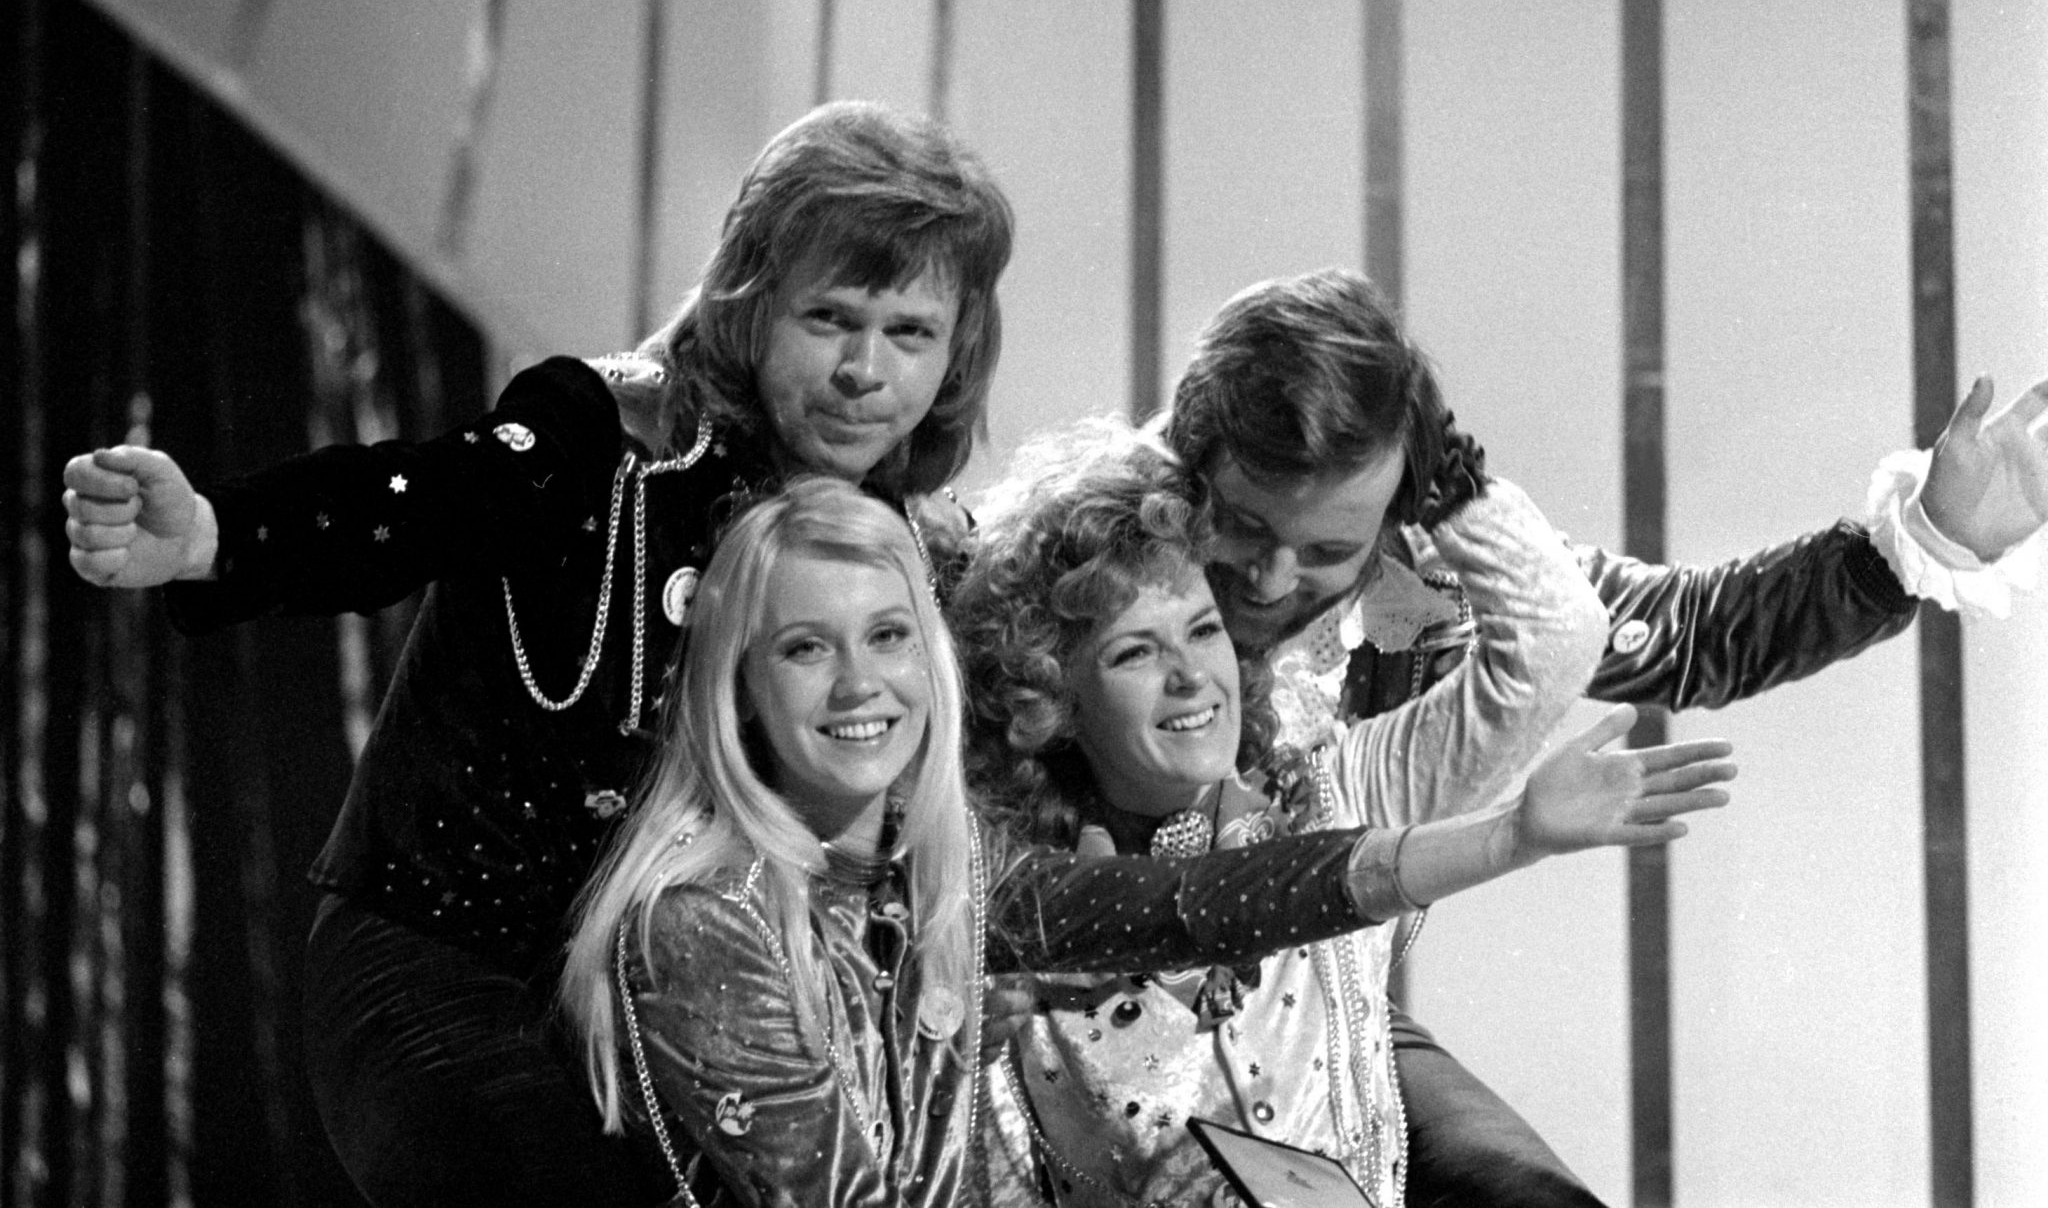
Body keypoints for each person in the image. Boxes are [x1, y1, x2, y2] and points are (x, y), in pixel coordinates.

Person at [59, 100, 1014, 1207]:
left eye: (910, 334)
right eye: (831, 318)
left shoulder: (912, 544)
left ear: (958, 350)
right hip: (452, 968)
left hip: (689, 997)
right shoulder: (600, 433)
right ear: (749, 303)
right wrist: (220, 534)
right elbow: (424, 498)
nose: (864, 370)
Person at [559, 475, 1732, 1208]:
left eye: (887, 635)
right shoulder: (705, 916)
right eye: (806, 647)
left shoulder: (961, 876)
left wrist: (1512, 834)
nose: (861, 681)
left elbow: (1211, 898)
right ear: (737, 683)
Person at [1156, 267, 2048, 1206]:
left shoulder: (1433, 582)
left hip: (1323, 1013)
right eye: (1242, 530)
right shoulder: (1094, 554)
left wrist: (1920, 540)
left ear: (1397, 510)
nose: (1271, 580)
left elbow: (1696, 635)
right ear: (1183, 470)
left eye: (1327, 551)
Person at [953, 418, 1736, 1206]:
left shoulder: (1341, 786)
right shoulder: (1014, 901)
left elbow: (1556, 639)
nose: (1190, 675)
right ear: (1050, 699)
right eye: (1135, 652)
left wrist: (1420, 448)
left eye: (1203, 630)